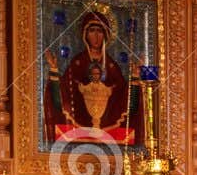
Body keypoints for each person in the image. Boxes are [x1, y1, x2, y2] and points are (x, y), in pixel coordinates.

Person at [44, 8, 134, 144]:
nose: (96, 36)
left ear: (105, 35)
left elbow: (122, 93)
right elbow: (65, 90)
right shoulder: (78, 62)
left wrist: (135, 77)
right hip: (80, 120)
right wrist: (54, 69)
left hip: (108, 124)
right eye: (92, 31)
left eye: (100, 31)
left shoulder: (111, 66)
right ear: (85, 35)